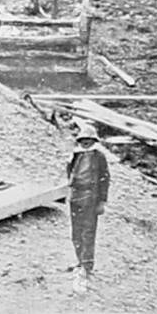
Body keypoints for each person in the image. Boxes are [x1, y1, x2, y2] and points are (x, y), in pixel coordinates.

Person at [66, 119, 110, 293]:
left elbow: (105, 180)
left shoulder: (99, 157)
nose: (85, 142)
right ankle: (79, 261)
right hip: (76, 195)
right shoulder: (75, 155)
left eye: (88, 140)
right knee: (76, 232)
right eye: (83, 139)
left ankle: (87, 265)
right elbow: (70, 175)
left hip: (90, 197)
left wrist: (101, 201)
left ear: (94, 141)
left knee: (88, 232)